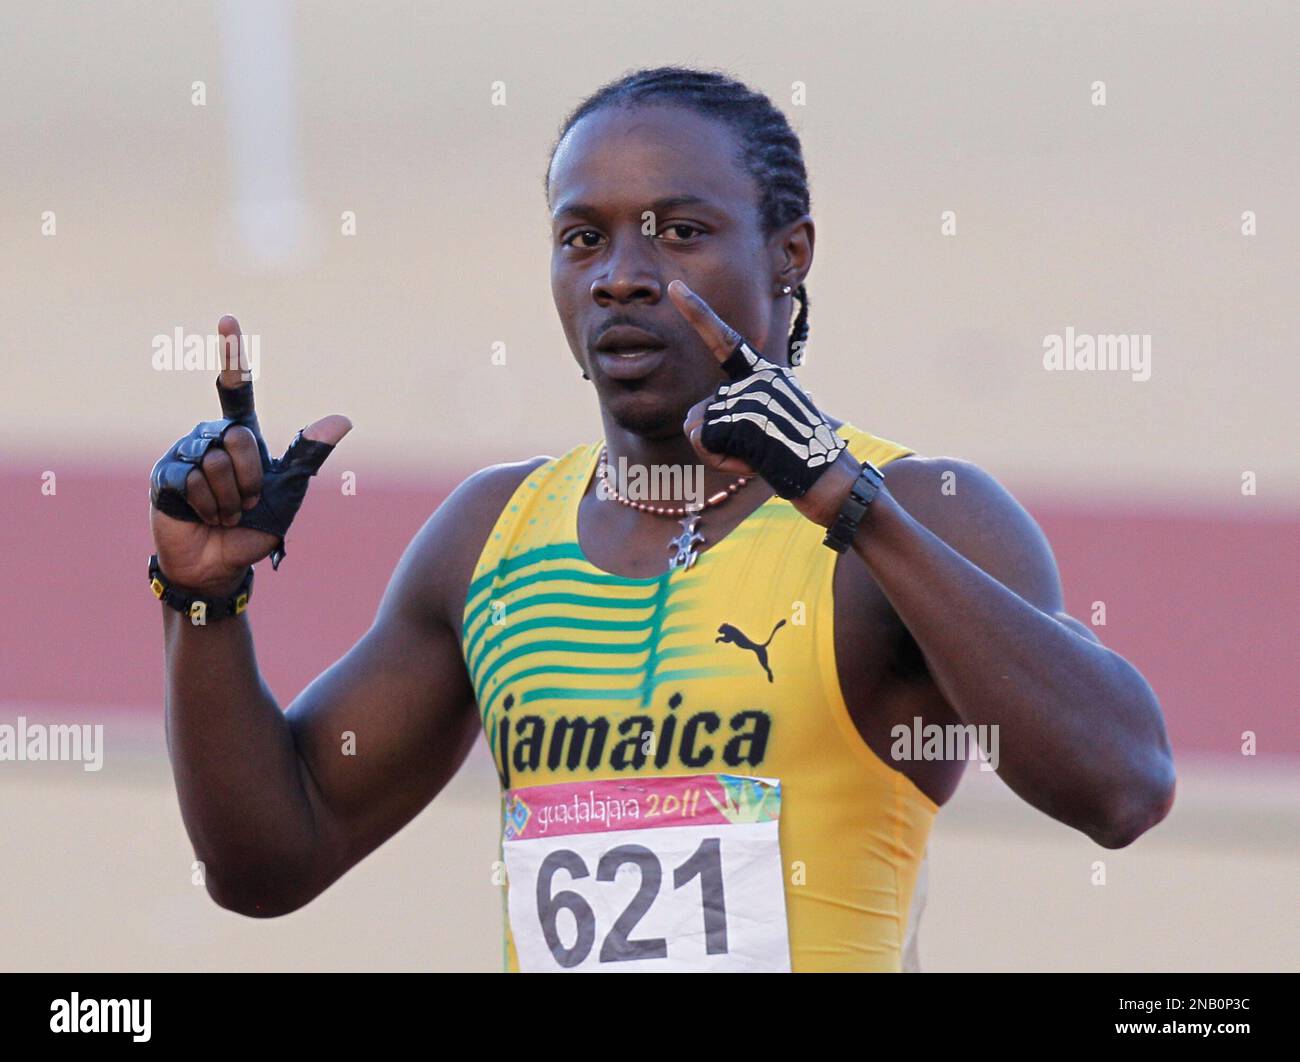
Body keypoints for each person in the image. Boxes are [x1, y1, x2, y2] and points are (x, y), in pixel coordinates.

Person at [148, 66, 1176, 973]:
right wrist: (204, 599)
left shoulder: (916, 508)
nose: (622, 274)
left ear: (789, 253)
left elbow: (1121, 788)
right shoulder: (490, 537)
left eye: (679, 231)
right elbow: (269, 862)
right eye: (580, 237)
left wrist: (846, 504)